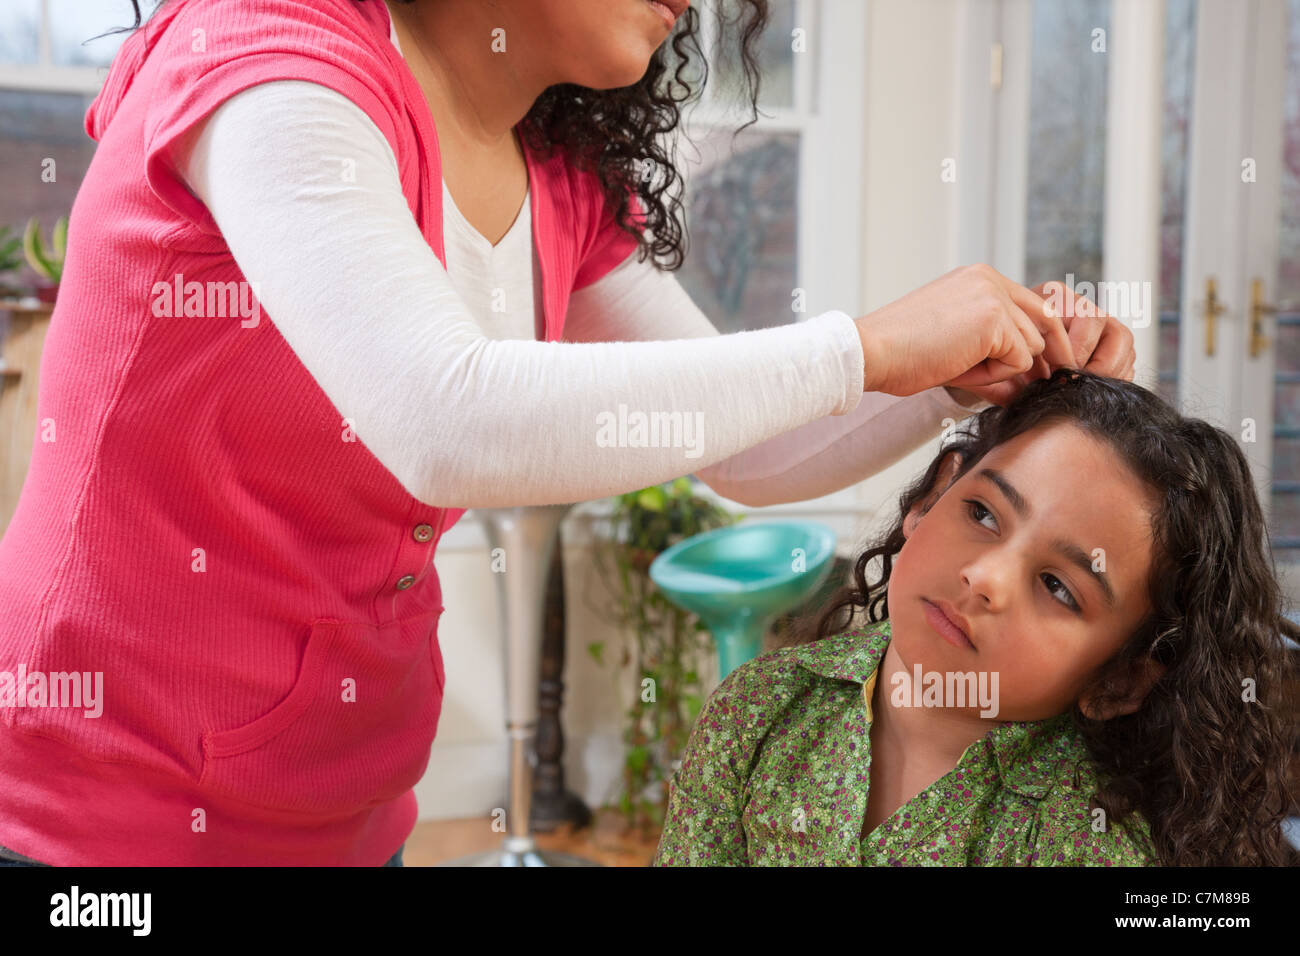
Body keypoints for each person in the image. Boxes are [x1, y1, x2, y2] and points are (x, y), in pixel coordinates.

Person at [0, 0, 1132, 865]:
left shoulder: (554, 180)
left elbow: (745, 453)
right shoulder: (272, 61)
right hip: (103, 809)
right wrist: (869, 344)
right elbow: (446, 418)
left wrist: (950, 384)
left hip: (341, 797)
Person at [654, 369, 1299, 866]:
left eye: (1058, 586)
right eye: (984, 515)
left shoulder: (1088, 842)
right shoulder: (759, 707)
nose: (985, 579)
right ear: (934, 497)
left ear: (1121, 681)